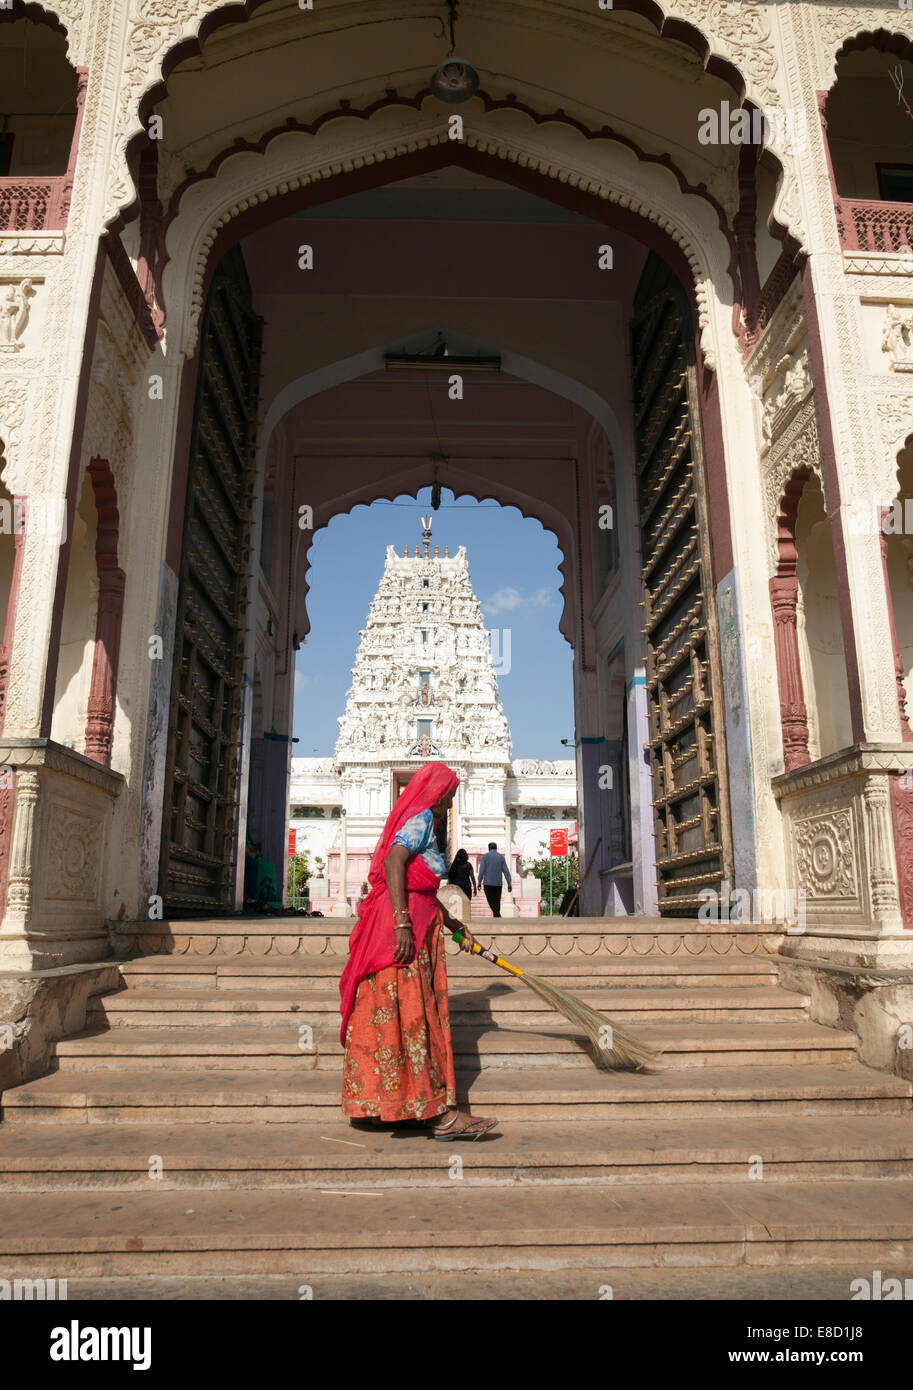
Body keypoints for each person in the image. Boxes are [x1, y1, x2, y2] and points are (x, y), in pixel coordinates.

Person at [338, 761, 499, 1139]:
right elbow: (396, 861)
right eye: (451, 795)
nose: (451, 802)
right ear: (438, 794)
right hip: (403, 933)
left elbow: (420, 887)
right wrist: (402, 922)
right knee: (414, 1015)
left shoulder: (420, 819)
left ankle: (383, 1107)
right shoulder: (423, 818)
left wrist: (454, 924)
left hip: (411, 924)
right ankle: (439, 1116)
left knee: (388, 1013)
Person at [478, 841, 512, 918]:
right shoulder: (501, 857)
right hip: (498, 884)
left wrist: (479, 882)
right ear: (496, 848)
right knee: (497, 901)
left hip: (487, 883)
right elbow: (506, 871)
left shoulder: (485, 857)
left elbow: (481, 871)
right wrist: (509, 883)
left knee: (490, 900)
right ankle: (497, 915)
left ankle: (497, 914)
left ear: (489, 848)